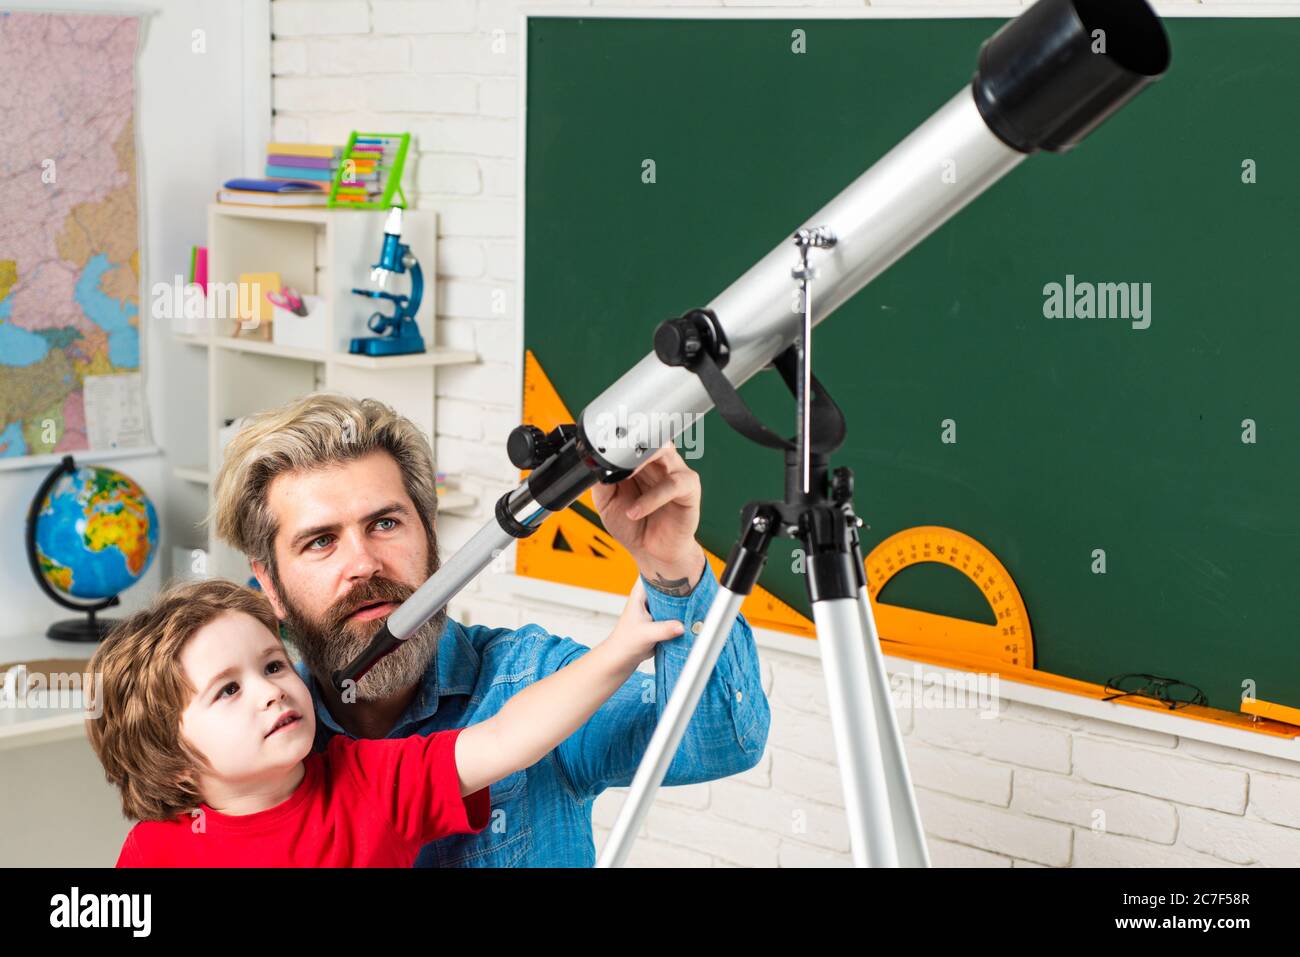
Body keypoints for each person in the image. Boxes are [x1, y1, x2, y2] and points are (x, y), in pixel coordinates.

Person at [208, 391, 770, 866]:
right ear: (271, 585)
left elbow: (722, 739)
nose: (364, 564)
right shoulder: (250, 740)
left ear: (429, 537)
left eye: (385, 523)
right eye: (321, 541)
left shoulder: (535, 680)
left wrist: (671, 566)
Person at [87, 576, 685, 867]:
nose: (270, 692)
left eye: (273, 664)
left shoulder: (371, 783)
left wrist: (619, 650)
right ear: (165, 747)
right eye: (228, 690)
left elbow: (509, 738)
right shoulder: (155, 850)